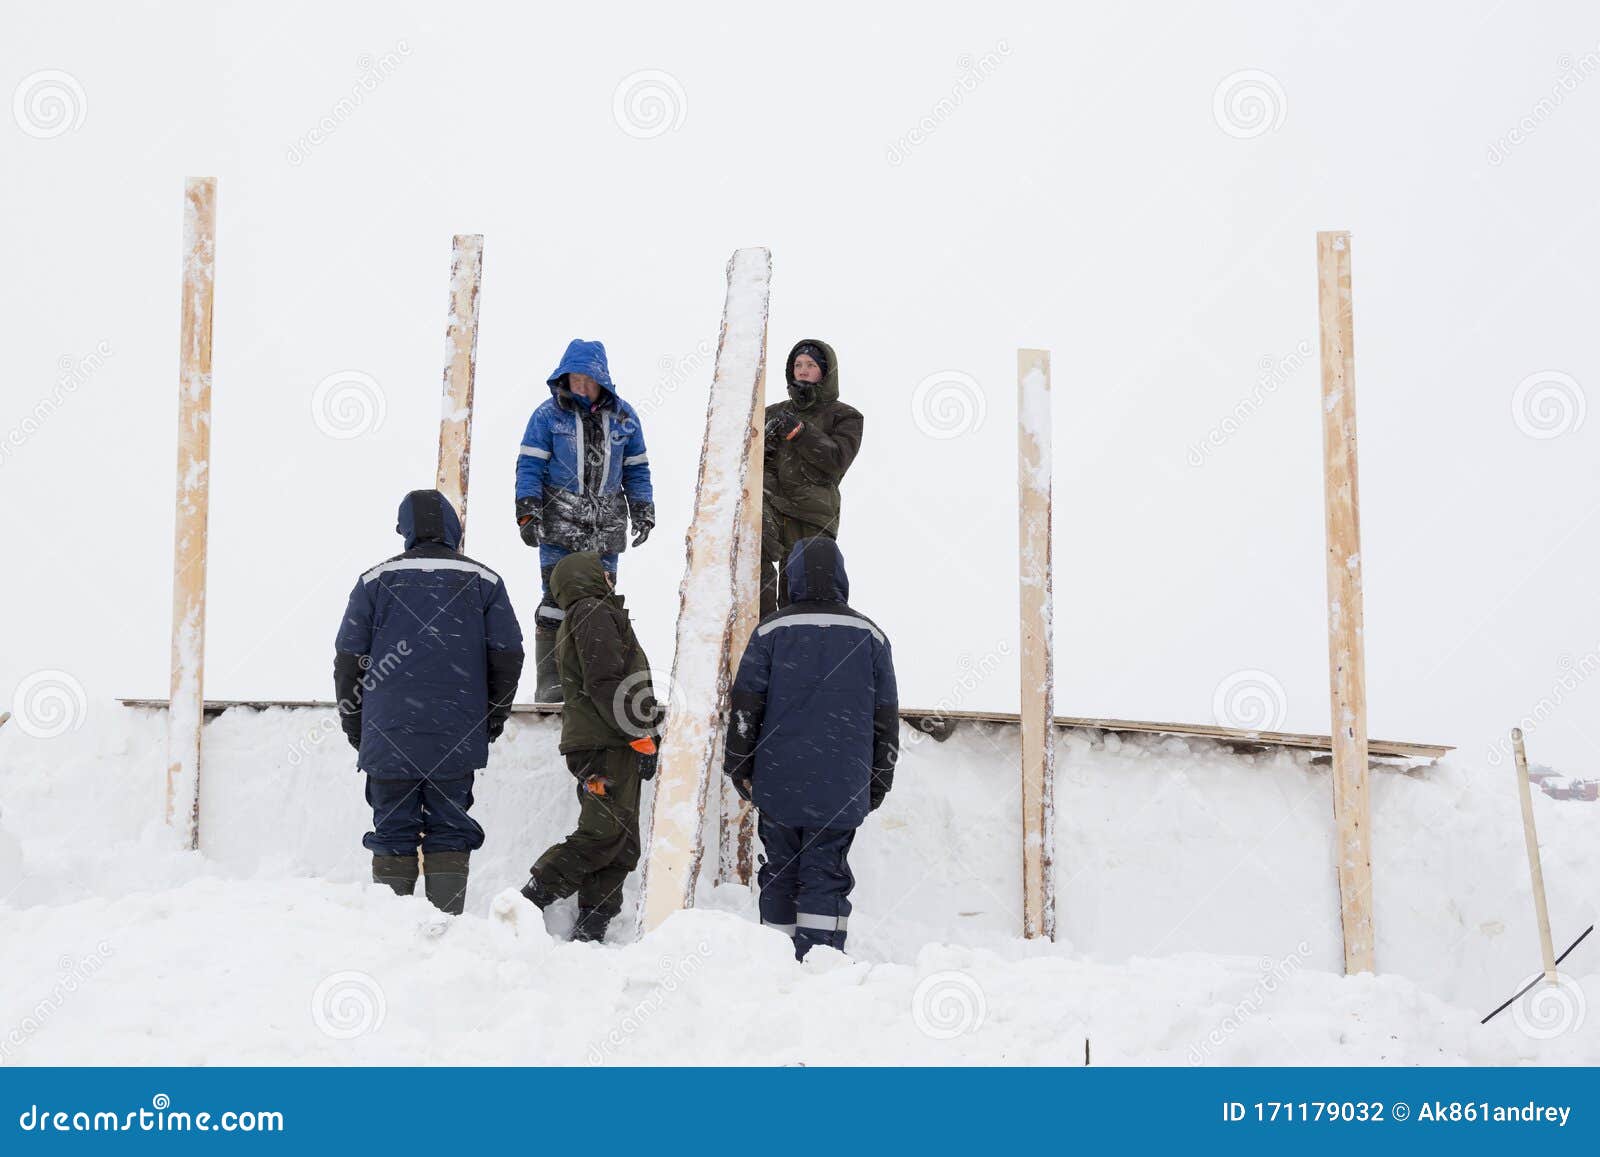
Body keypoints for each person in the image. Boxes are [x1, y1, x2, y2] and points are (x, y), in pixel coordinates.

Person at [334, 489, 524, 915]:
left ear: (406, 529)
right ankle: (446, 929)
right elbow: (508, 655)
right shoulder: (486, 582)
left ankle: (393, 929)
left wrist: (357, 726)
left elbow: (349, 662)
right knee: (451, 829)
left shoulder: (373, 581)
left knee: (392, 828)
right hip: (456, 733)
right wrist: (490, 718)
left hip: (388, 734)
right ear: (453, 528)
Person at [724, 536, 898, 959]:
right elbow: (885, 719)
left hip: (780, 780)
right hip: (841, 783)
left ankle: (776, 958)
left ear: (791, 578)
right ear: (840, 576)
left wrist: (739, 766)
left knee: (780, 869)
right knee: (826, 873)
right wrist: (879, 780)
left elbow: (746, 706)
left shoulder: (770, 632)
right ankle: (821, 961)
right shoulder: (870, 636)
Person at [519, 551, 662, 943]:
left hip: (613, 739)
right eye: (600, 570)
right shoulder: (591, 611)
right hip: (605, 742)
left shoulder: (590, 612)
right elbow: (605, 680)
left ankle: (592, 926)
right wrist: (639, 733)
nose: (608, 574)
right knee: (602, 834)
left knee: (623, 843)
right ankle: (531, 898)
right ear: (583, 577)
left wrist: (642, 731)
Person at [515, 339, 655, 702]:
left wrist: (643, 508)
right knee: (554, 598)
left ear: (600, 380)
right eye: (574, 378)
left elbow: (636, 469)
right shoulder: (546, 416)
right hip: (558, 522)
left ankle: (595, 683)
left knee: (600, 603)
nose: (579, 385)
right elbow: (530, 464)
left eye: (586, 379)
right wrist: (527, 509)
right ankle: (551, 680)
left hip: (605, 527)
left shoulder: (625, 418)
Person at [760, 339, 863, 617]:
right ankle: (764, 633)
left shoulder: (846, 416)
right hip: (770, 506)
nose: (803, 370)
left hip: (812, 516)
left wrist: (801, 433)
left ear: (826, 371)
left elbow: (837, 459)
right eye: (798, 365)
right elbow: (750, 463)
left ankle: (799, 648)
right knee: (752, 566)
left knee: (804, 594)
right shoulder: (772, 412)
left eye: (811, 365)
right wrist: (763, 447)